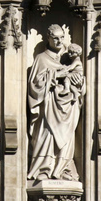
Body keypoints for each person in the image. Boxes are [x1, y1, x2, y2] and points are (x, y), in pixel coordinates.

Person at [28, 25, 85, 181]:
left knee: (67, 138)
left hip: (68, 106)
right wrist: (56, 75)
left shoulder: (69, 58)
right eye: (55, 38)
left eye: (61, 37)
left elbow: (81, 83)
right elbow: (34, 84)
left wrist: (78, 81)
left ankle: (63, 168)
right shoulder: (41, 58)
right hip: (49, 106)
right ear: (48, 38)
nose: (59, 41)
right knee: (47, 136)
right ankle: (45, 168)